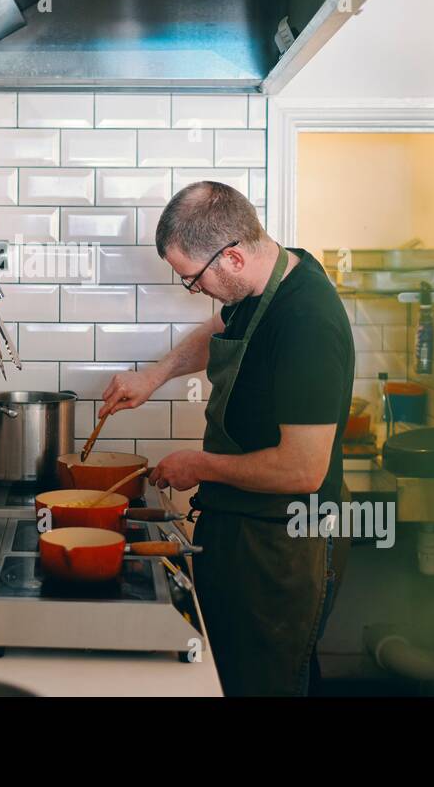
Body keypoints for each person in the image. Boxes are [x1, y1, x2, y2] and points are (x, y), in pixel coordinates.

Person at [97, 181, 354, 696]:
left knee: (268, 683)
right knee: (234, 676)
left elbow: (303, 469)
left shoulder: (307, 320)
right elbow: (219, 329)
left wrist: (199, 465)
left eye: (194, 280)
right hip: (243, 526)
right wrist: (155, 375)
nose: (196, 292)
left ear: (232, 257)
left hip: (284, 543)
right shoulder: (265, 283)